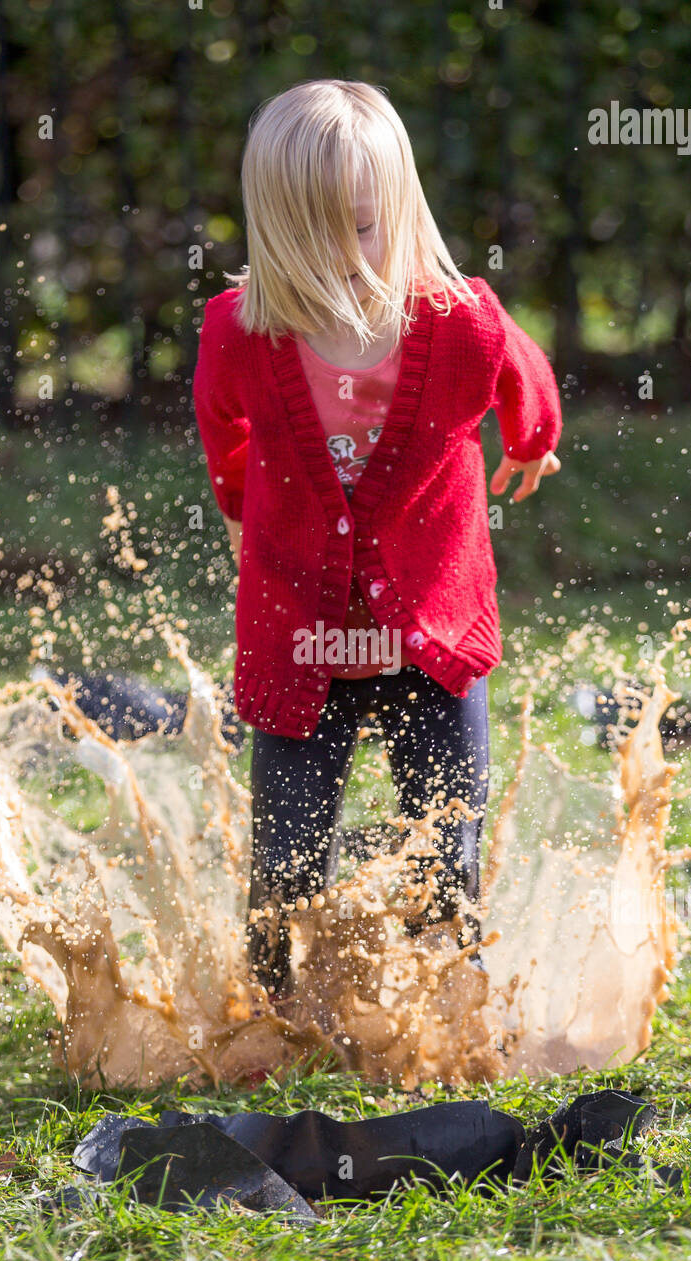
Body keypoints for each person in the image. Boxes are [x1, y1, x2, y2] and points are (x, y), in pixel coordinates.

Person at [193, 79, 562, 1000]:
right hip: (300, 641)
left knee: (446, 851)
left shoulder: (459, 323)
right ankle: (273, 1018)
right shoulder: (240, 334)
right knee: (285, 862)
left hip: (430, 641)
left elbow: (528, 379)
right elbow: (222, 428)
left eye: (362, 228)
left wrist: (532, 442)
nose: (344, 258)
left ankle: (450, 1010)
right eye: (313, 236)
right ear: (273, 230)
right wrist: (239, 499)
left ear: (397, 212)